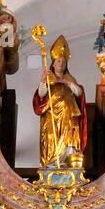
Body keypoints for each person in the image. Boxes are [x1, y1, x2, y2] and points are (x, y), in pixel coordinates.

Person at [32, 34, 87, 165]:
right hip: (51, 115)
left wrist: (68, 84)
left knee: (69, 140)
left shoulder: (70, 79)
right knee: (51, 138)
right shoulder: (48, 78)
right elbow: (41, 95)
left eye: (63, 61)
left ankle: (67, 161)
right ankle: (52, 162)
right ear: (53, 63)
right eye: (58, 61)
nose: (61, 64)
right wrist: (43, 81)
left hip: (67, 116)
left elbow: (79, 93)